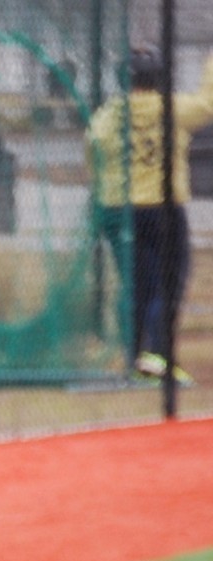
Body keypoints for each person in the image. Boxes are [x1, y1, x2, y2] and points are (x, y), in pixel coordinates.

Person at [88, 45, 213, 385]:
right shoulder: (169, 107)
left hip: (118, 209)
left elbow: (94, 147)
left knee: (137, 285)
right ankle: (157, 354)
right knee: (169, 281)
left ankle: (136, 356)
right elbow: (206, 104)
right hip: (163, 206)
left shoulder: (109, 115)